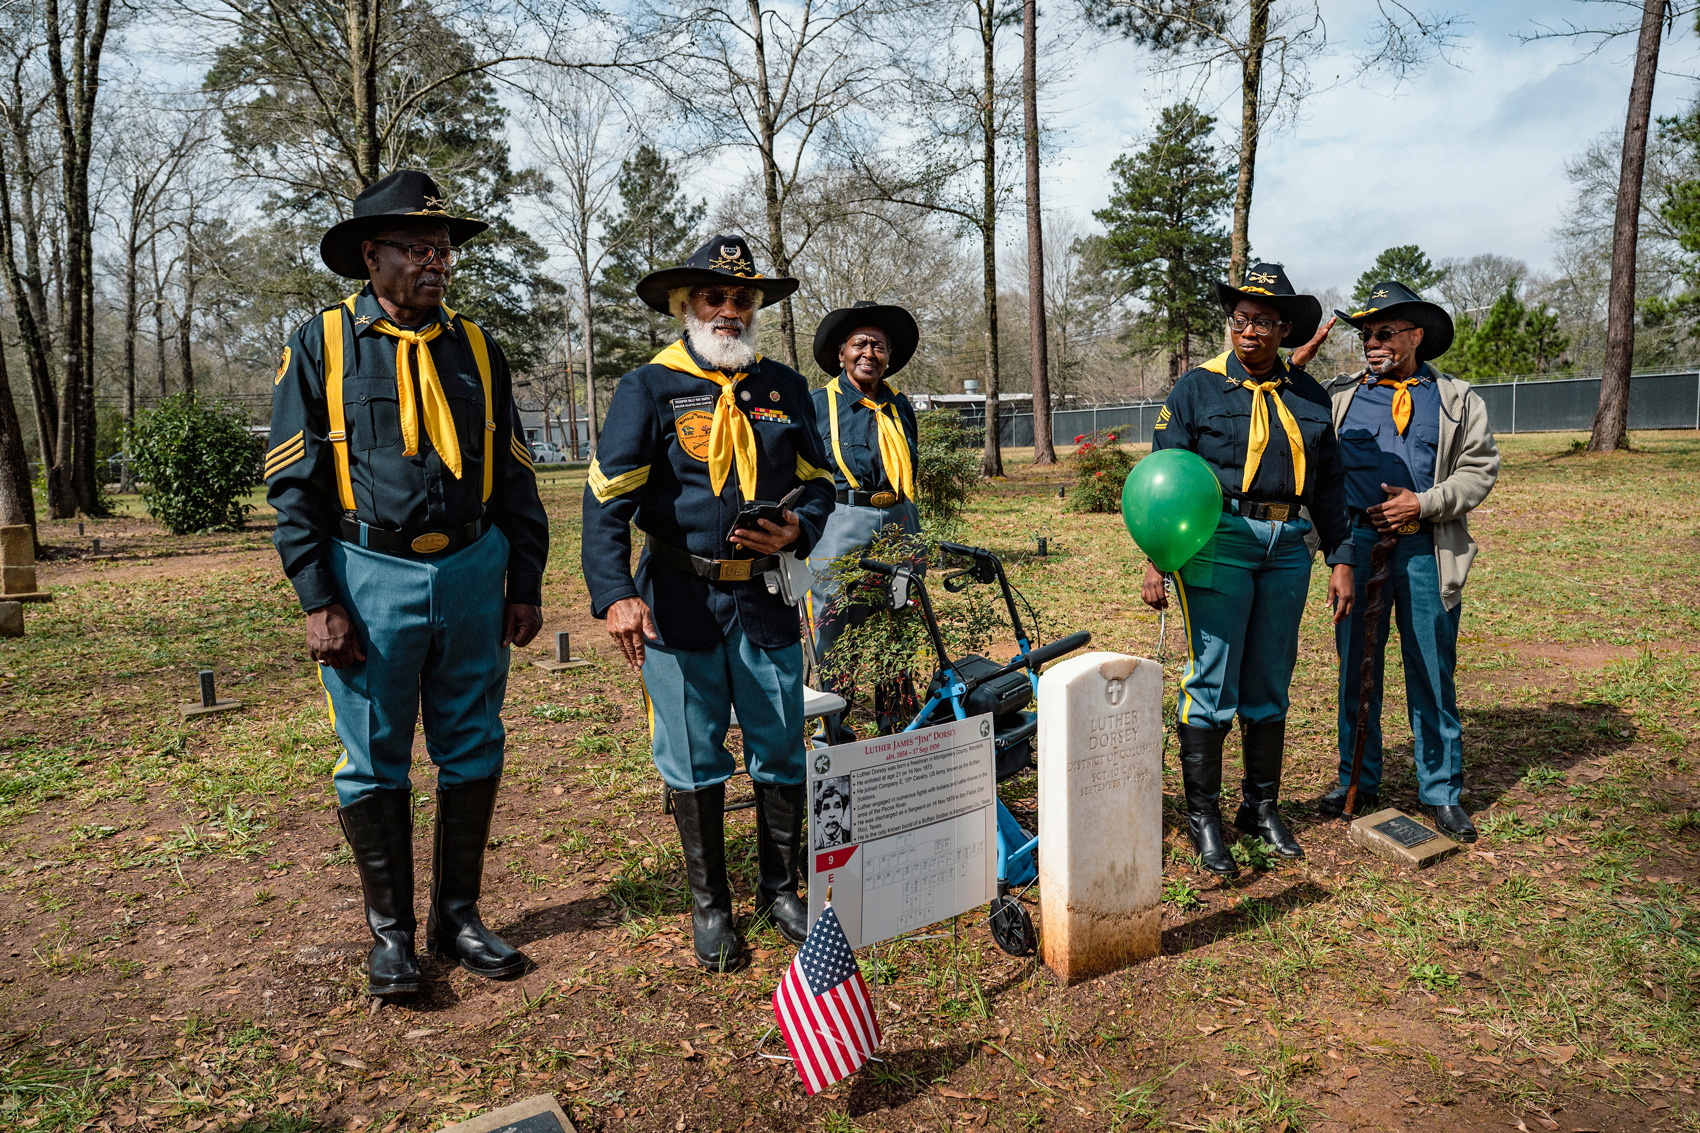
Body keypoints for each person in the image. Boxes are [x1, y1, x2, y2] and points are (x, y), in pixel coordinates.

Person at [266, 170, 548, 996]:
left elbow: (517, 476)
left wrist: (523, 580)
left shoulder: (479, 348)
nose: (438, 261)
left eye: (445, 247)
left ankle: (457, 917)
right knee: (374, 754)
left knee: (472, 740)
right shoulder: (320, 343)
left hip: (470, 569)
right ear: (370, 255)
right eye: (419, 247)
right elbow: (294, 487)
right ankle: (391, 938)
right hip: (368, 573)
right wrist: (318, 597)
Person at [581, 235, 837, 971]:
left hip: (762, 598)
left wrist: (799, 526)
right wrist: (614, 594)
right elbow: (606, 504)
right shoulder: (648, 389)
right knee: (694, 755)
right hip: (677, 599)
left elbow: (820, 484)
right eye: (714, 298)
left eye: (743, 298)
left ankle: (779, 888)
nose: (729, 310)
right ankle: (710, 906)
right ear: (684, 305)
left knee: (780, 743)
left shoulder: (783, 387)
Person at [1139, 263, 1354, 877]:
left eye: (1263, 321)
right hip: (1220, 538)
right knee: (1212, 679)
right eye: (1240, 320)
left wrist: (1341, 557)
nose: (1250, 331)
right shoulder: (1196, 390)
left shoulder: (1309, 396)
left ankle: (1259, 806)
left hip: (1289, 543)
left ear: (1285, 328)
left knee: (1270, 678)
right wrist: (1158, 558)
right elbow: (1165, 480)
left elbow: (1331, 485)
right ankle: (1202, 815)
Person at [1311, 281, 1500, 842]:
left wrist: (1423, 501)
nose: (1372, 342)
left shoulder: (1457, 400)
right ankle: (1356, 780)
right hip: (1358, 548)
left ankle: (1441, 792)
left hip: (1426, 548)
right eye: (1366, 333)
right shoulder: (1338, 397)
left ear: (1417, 336)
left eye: (1385, 332)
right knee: (1355, 671)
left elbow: (1478, 468)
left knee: (1430, 672)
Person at [805, 301, 923, 741]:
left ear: (889, 356)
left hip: (899, 518)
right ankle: (833, 732)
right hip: (841, 519)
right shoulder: (817, 404)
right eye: (860, 344)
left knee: (901, 618)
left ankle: (897, 728)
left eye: (878, 345)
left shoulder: (899, 406)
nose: (869, 353)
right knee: (836, 625)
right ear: (842, 354)